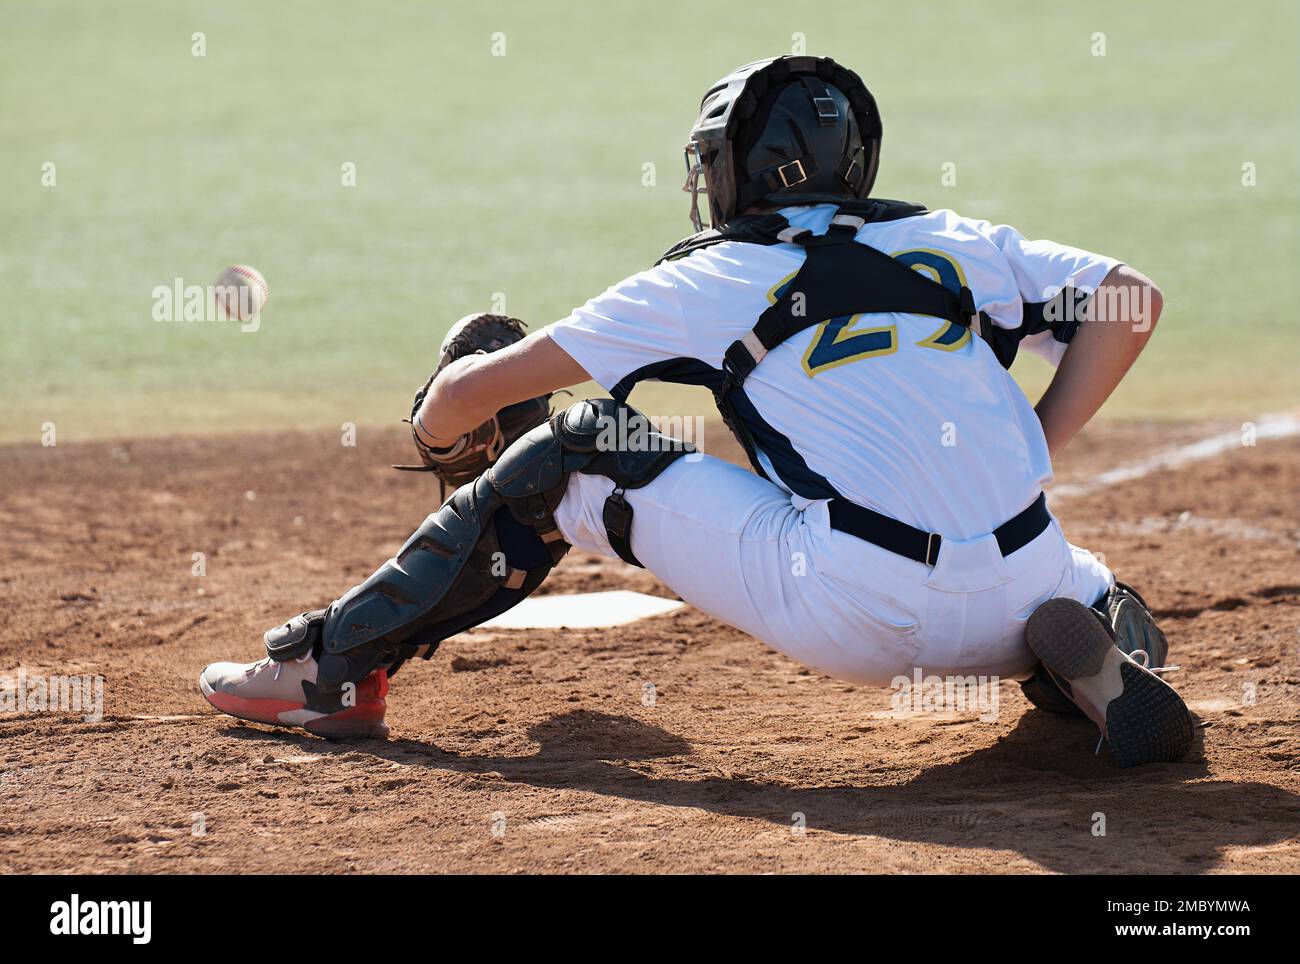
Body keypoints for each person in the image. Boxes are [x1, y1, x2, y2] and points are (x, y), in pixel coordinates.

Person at [200, 55, 1193, 767]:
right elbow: (1132, 301)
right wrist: (1035, 441)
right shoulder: (956, 239)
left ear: (732, 170)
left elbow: (477, 390)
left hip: (861, 607)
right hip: (1024, 578)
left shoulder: (712, 276)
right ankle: (1089, 657)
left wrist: (437, 428)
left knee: (582, 447)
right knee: (1062, 569)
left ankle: (331, 672)